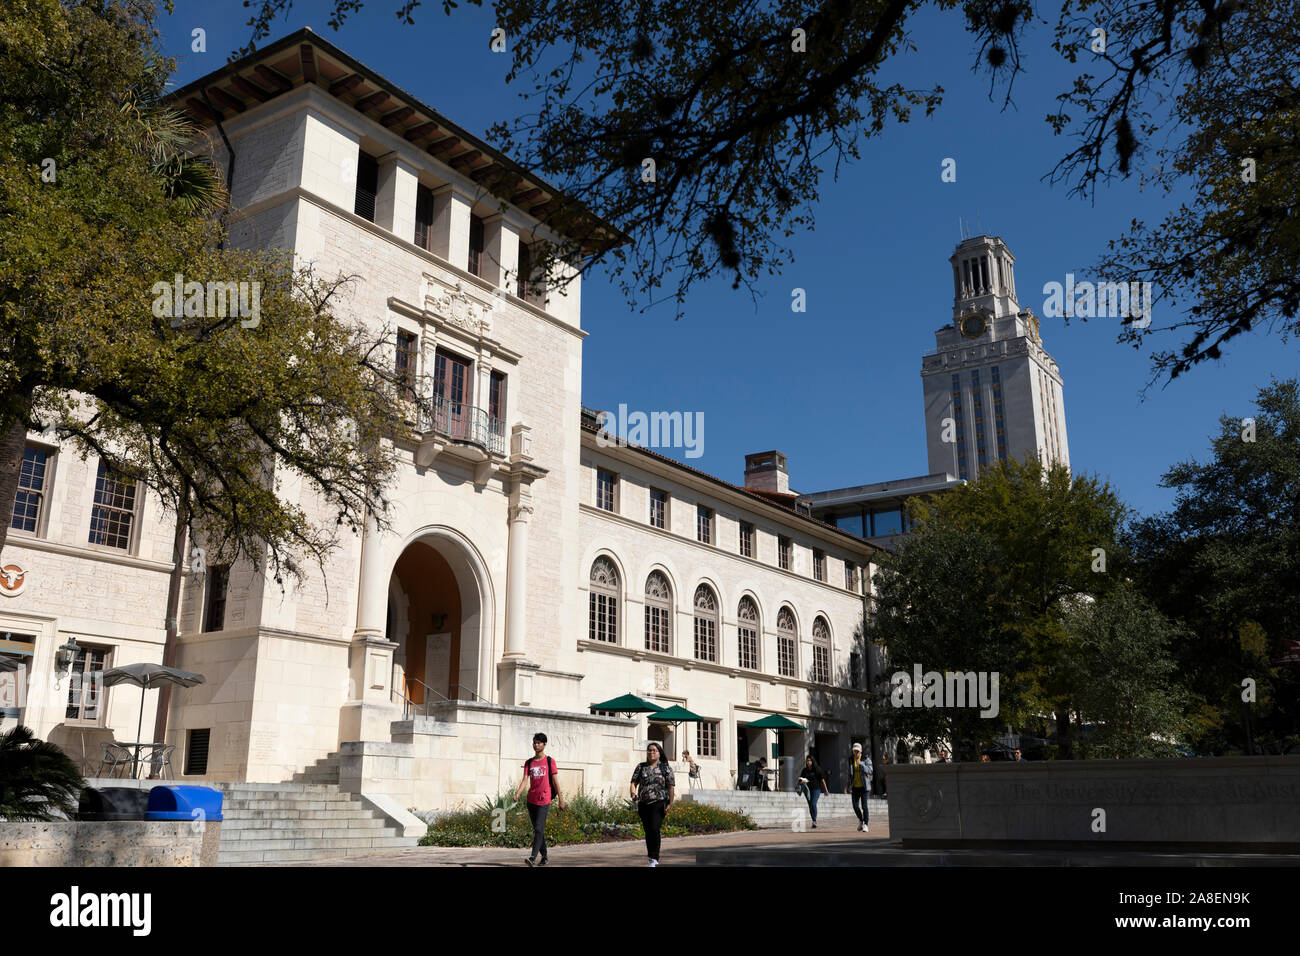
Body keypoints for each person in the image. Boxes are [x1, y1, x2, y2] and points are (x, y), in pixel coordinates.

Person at [515, 732, 564, 866]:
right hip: (531, 800)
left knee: (538, 829)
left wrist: (561, 799)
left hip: (544, 799)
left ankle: (532, 857)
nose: (536, 745)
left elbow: (555, 782)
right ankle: (545, 857)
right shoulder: (529, 762)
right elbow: (525, 780)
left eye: (538, 743)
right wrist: (518, 793)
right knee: (538, 830)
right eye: (534, 742)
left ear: (544, 744)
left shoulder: (549, 761)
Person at [630, 741, 676, 867]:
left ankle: (655, 858)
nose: (651, 752)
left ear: (659, 753)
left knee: (655, 829)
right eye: (649, 750)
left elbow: (671, 787)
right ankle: (651, 857)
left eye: (654, 750)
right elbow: (633, 783)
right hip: (644, 804)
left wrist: (670, 804)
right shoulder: (641, 766)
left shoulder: (665, 768)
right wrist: (633, 795)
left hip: (659, 803)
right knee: (648, 831)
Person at [798, 755, 830, 829]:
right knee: (810, 805)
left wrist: (826, 790)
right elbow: (801, 779)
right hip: (807, 790)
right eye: (807, 760)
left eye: (809, 760)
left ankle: (814, 820)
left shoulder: (817, 769)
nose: (808, 762)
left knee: (813, 803)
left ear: (812, 761)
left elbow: (822, 780)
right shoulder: (804, 770)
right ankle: (813, 820)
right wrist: (801, 780)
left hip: (816, 789)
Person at [847, 742, 872, 832]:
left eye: (857, 751)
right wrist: (848, 785)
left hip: (864, 787)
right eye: (854, 751)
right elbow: (849, 774)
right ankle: (861, 820)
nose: (856, 753)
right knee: (855, 806)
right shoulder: (851, 759)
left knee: (864, 806)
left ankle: (866, 824)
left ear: (860, 751)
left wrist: (861, 764)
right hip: (855, 786)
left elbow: (870, 771)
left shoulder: (866, 759)